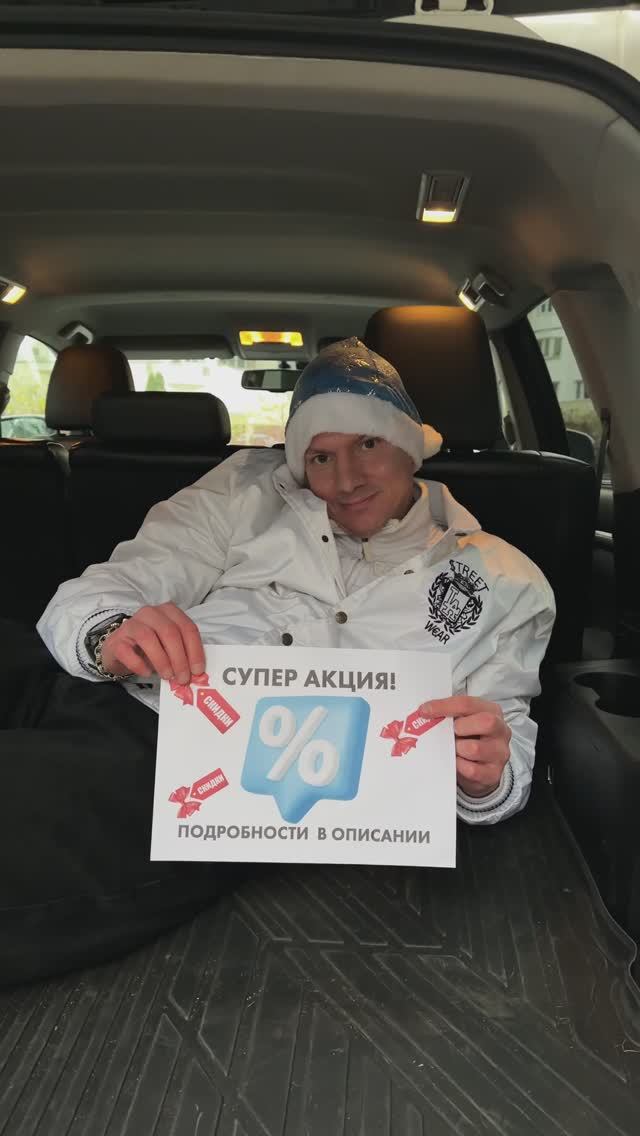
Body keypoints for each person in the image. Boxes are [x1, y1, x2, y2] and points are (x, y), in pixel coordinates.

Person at [1, 338, 554, 987]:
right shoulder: (245, 491)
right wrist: (110, 631)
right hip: (106, 677)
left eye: (367, 445)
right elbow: (119, 581)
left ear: (411, 445)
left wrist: (486, 776)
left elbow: (507, 746)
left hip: (199, 766)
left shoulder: (506, 580)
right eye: (320, 456)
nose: (344, 480)